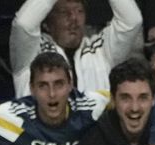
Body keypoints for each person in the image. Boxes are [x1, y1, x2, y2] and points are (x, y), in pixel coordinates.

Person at [10, 0, 143, 96]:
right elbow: (23, 23)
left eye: (79, 11)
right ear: (46, 22)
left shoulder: (102, 50)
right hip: (41, 134)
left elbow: (132, 21)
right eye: (64, 12)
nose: (74, 18)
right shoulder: (31, 53)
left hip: (96, 134)